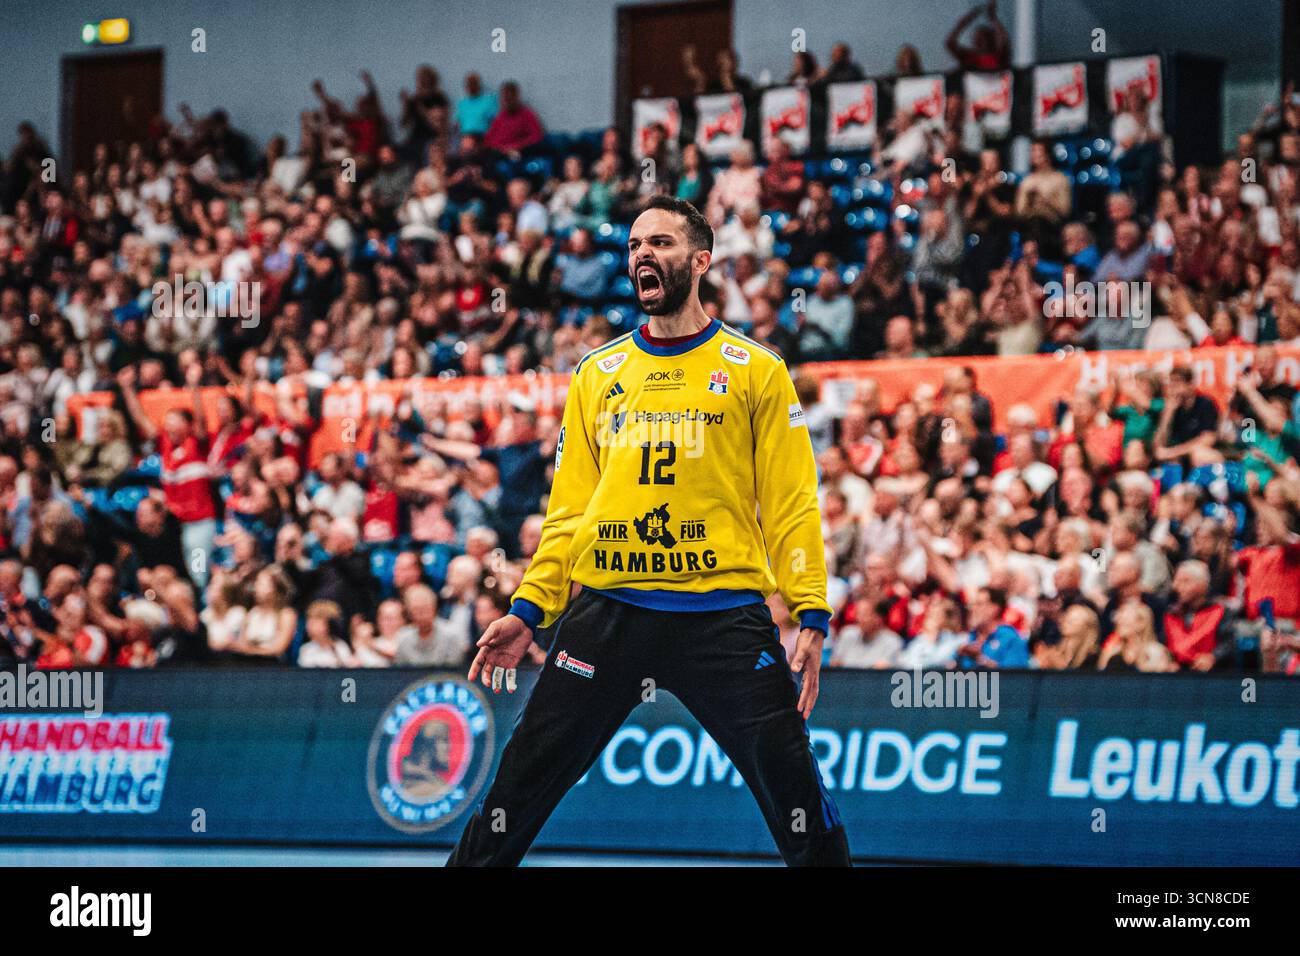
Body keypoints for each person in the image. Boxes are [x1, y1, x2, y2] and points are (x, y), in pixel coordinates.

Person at [447, 196, 850, 867]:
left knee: (796, 790)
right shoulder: (597, 374)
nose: (641, 257)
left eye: (659, 243)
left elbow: (791, 502)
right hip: (608, 610)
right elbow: (569, 512)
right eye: (634, 246)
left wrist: (810, 608)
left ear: (700, 259)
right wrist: (529, 607)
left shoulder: (757, 370)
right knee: (515, 789)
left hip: (722, 616)